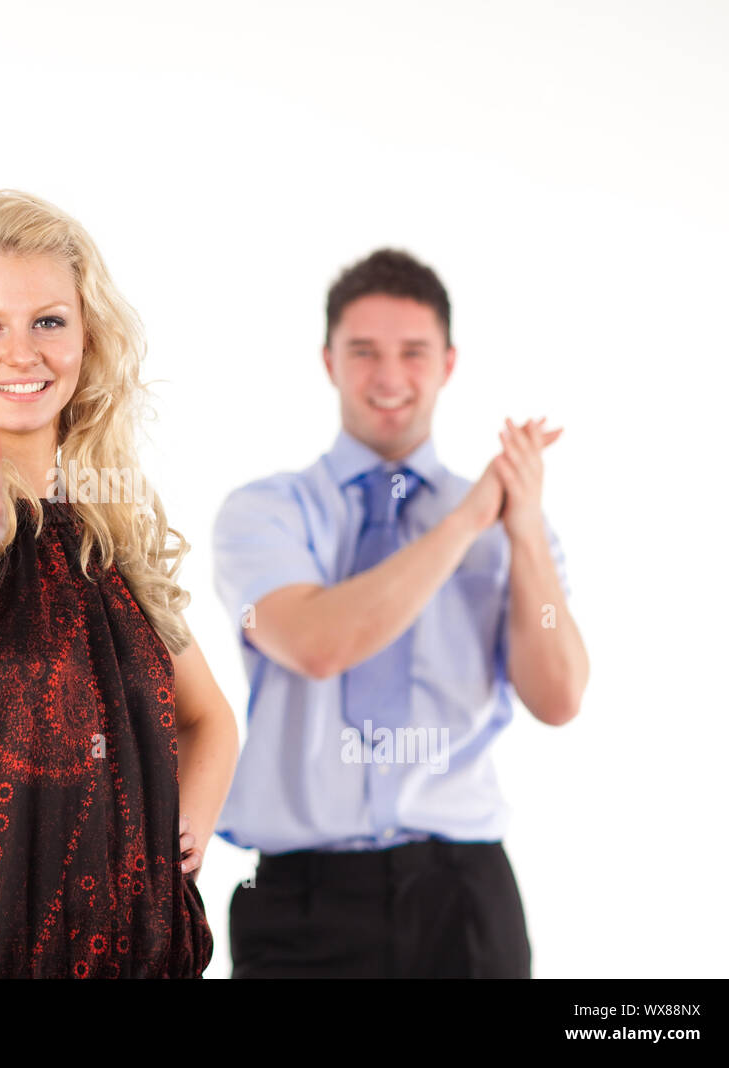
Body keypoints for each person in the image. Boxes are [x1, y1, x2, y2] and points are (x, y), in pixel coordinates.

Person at [0, 189, 238, 978]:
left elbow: (210, 720)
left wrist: (180, 832)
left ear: (88, 340)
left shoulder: (109, 537)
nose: (21, 353)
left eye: (48, 321)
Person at [211, 248, 589, 978]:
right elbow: (317, 643)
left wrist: (523, 529)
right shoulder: (266, 512)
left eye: (413, 352)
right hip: (301, 901)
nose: (389, 377)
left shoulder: (514, 524)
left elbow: (561, 696)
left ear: (447, 364)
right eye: (364, 352)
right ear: (328, 362)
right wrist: (466, 519)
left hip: (465, 892)